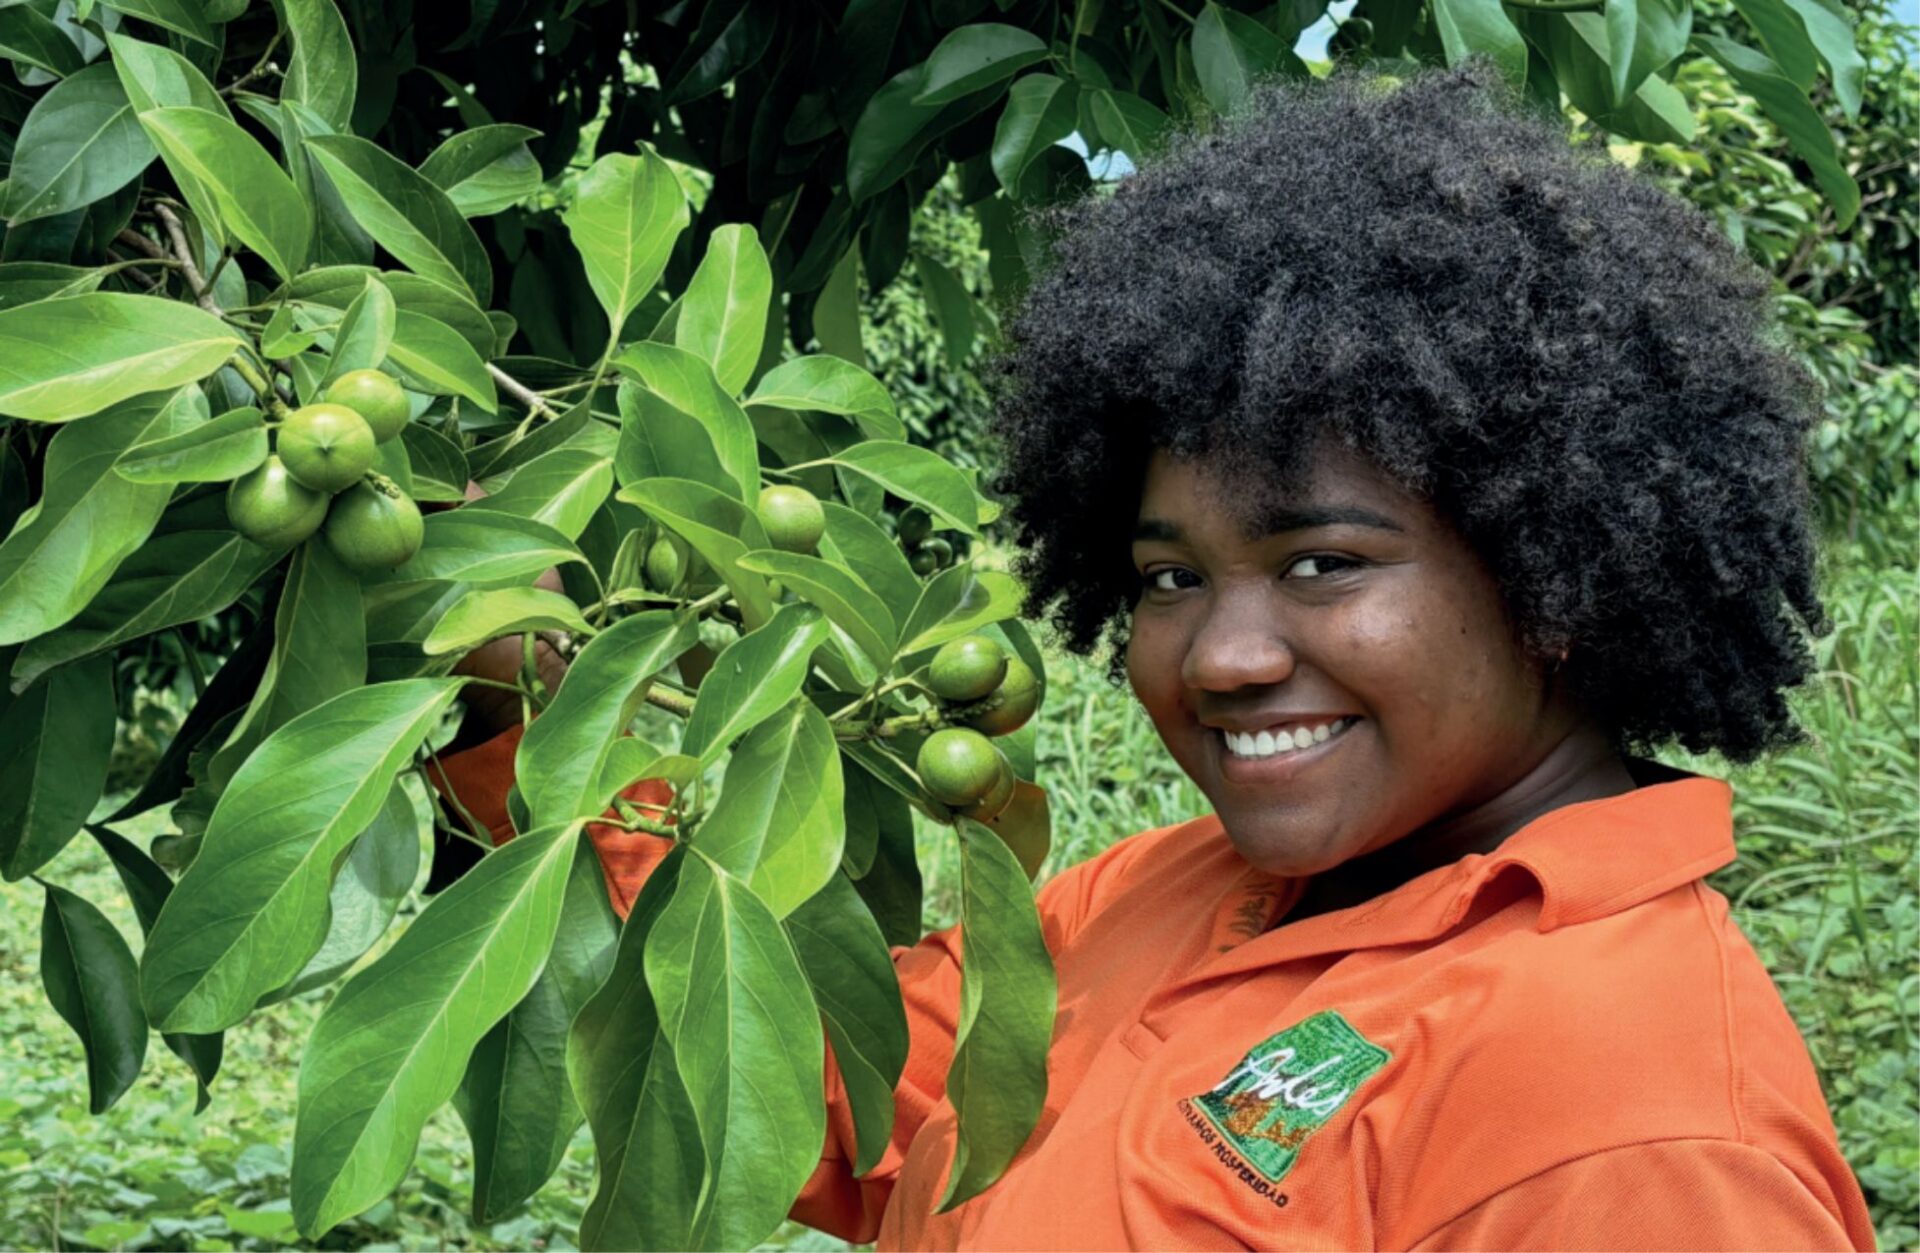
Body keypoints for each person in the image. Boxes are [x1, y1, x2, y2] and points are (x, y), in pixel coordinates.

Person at [431, 61, 1877, 1250]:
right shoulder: (1171, 892)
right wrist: (531, 702)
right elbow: (818, 1079)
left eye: (1324, 561)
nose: (1223, 654)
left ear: (1558, 570)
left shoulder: (1642, 1124)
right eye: (1169, 576)